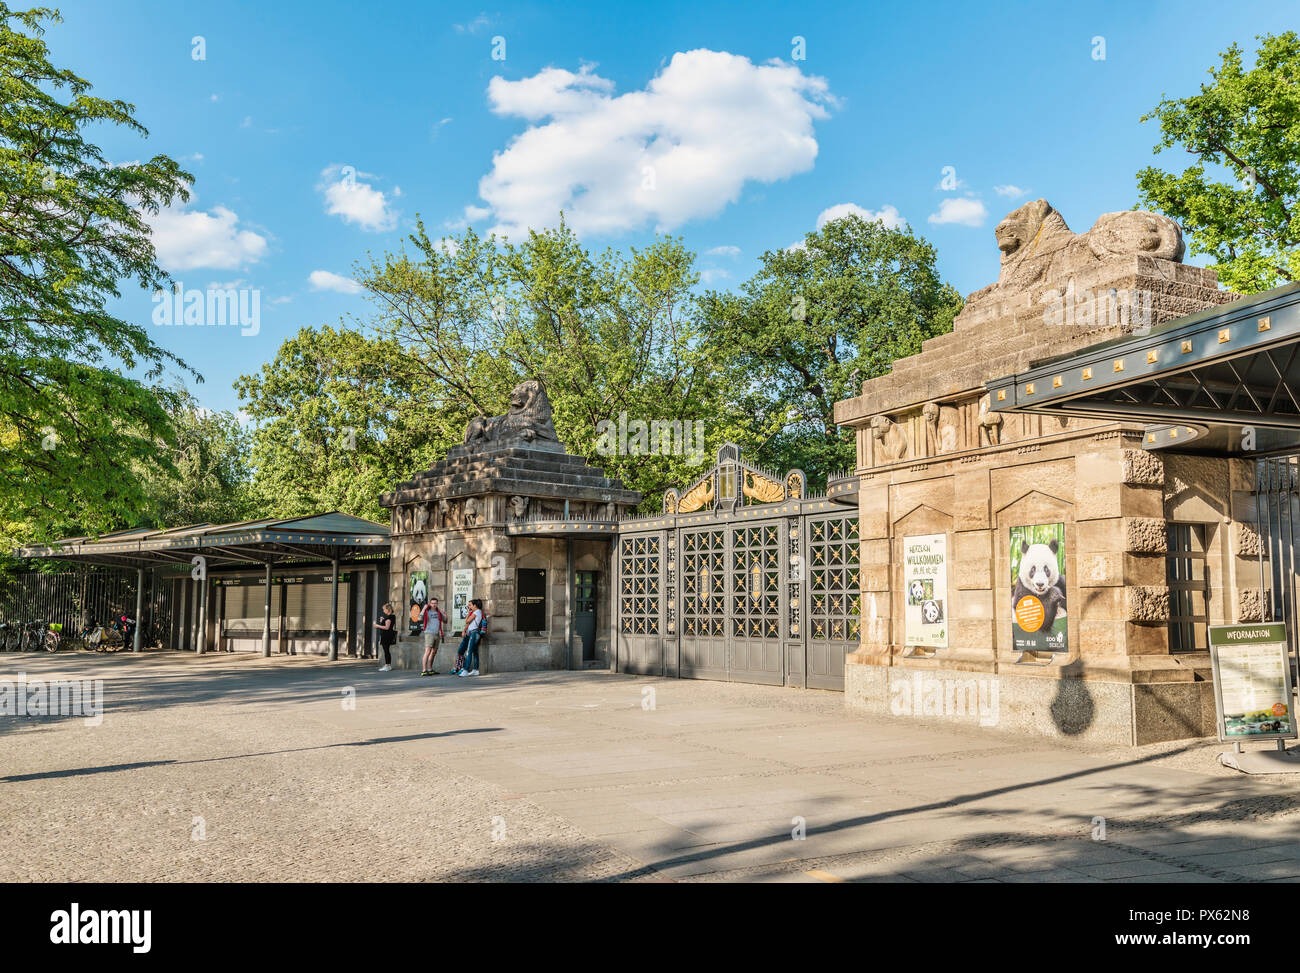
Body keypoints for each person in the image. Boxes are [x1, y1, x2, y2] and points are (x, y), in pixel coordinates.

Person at [454, 598, 487, 677]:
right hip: (473, 633)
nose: (468, 606)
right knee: (475, 652)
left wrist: (468, 613)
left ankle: (465, 670)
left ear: (474, 605)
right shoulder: (477, 612)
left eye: (470, 605)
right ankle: (475, 670)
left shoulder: (477, 612)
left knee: (469, 651)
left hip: (474, 633)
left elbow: (467, 621)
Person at [420, 597, 446, 677]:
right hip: (429, 633)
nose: (434, 605)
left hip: (437, 634)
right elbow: (419, 618)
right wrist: (423, 609)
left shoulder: (438, 612)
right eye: (432, 603)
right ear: (430, 604)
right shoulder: (427, 612)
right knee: (427, 651)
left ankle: (430, 669)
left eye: (435, 603)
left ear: (437, 604)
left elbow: (445, 621)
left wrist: (444, 614)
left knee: (434, 652)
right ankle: (424, 670)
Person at [373, 602, 397, 671]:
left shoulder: (389, 617)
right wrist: (382, 621)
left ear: (388, 609)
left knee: (386, 651)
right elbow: (386, 625)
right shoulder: (390, 617)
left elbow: (387, 627)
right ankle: (388, 665)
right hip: (387, 635)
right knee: (386, 650)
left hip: (386, 636)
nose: (383, 611)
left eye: (384, 609)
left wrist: (377, 625)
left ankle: (387, 665)